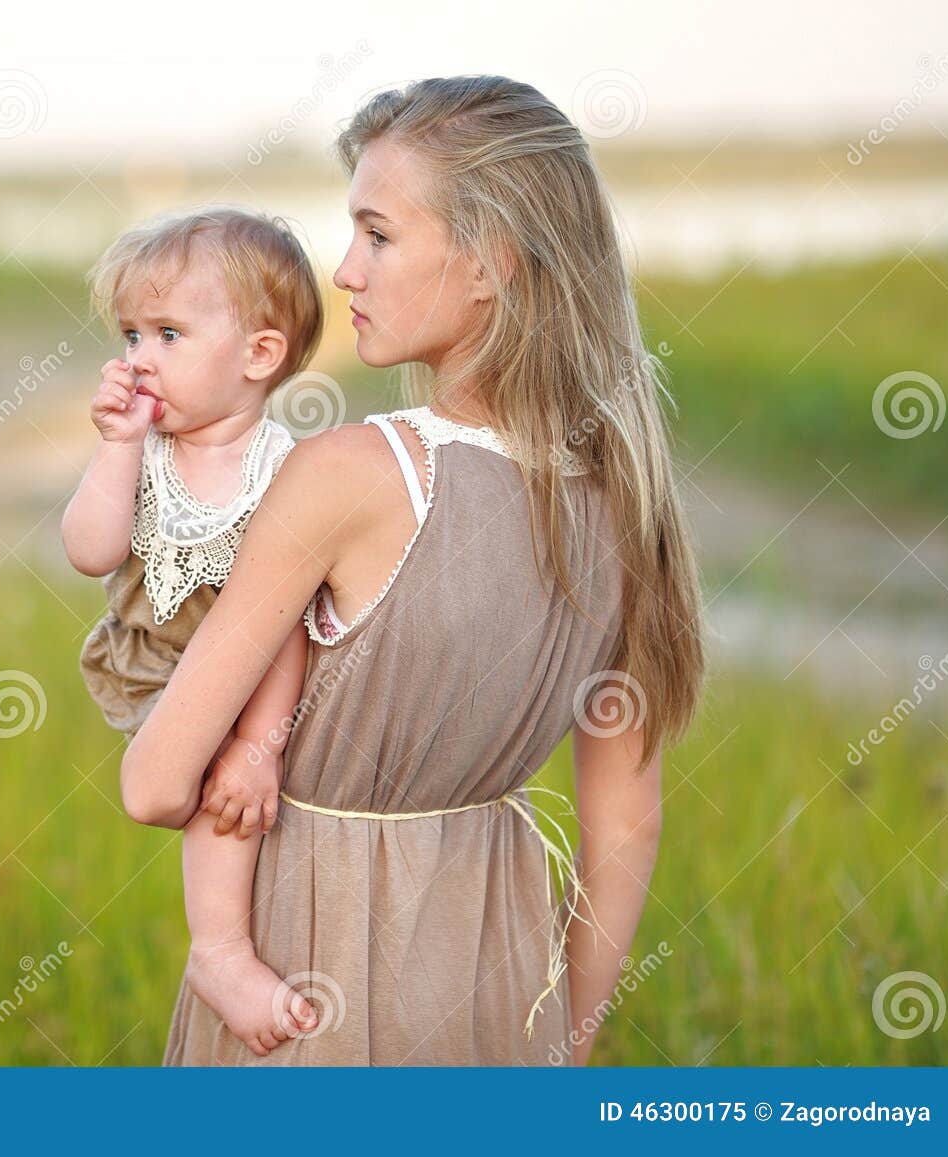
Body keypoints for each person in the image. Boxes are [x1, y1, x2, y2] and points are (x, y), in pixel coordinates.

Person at [121, 76, 707, 1065]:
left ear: (491, 261)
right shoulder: (625, 498)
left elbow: (154, 782)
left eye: (378, 235)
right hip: (501, 1000)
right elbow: (624, 827)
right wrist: (559, 1042)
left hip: (297, 1000)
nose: (344, 270)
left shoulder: (350, 475)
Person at [63, 207, 327, 1055]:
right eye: (131, 334)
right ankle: (220, 946)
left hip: (261, 681)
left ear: (259, 354)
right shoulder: (145, 453)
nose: (138, 358)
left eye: (169, 334)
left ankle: (222, 948)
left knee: (230, 784)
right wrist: (116, 446)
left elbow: (286, 627)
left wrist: (258, 742)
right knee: (193, 790)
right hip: (156, 666)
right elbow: (89, 549)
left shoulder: (287, 469)